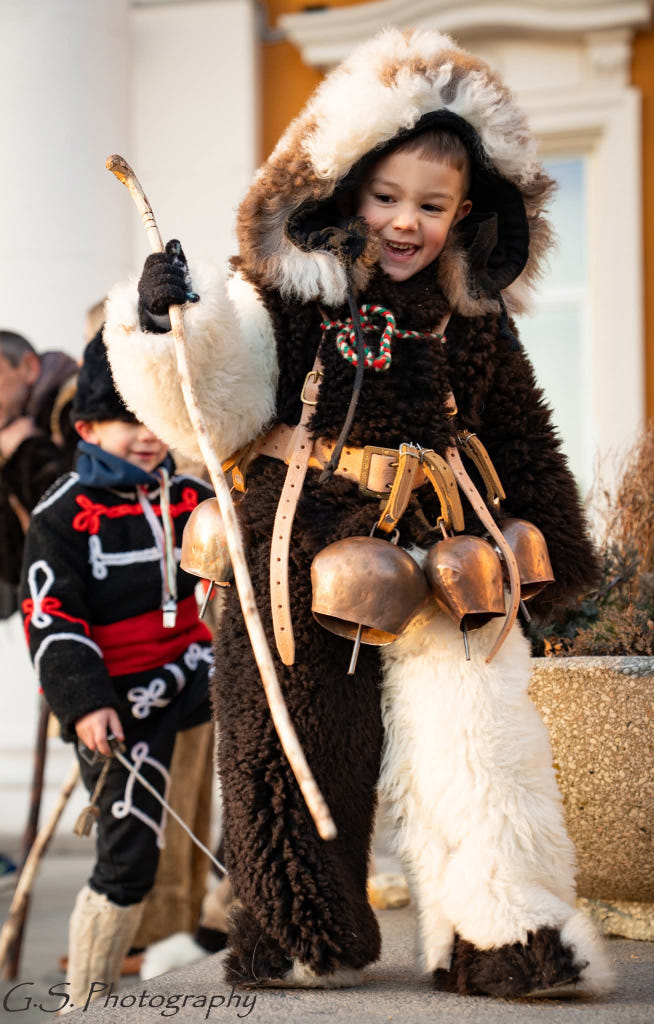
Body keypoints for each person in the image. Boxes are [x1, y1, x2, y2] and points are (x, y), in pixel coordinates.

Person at [103, 28, 613, 997]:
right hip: (298, 532)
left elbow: (520, 428)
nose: (406, 222)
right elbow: (214, 406)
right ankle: (300, 928)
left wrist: (550, 544)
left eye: (433, 204)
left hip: (449, 535)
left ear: (471, 211)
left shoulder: (476, 315)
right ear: (340, 186)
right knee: (294, 744)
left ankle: (505, 932)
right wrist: (164, 328)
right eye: (386, 198)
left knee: (481, 743)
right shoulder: (284, 291)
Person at [20, 330, 214, 1010]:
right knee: (129, 853)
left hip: (196, 666)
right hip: (116, 700)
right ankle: (88, 998)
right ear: (87, 426)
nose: (145, 435)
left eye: (154, 419)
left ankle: (242, 917)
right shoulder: (61, 514)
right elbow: (49, 616)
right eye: (127, 420)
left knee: (268, 753)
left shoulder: (191, 498)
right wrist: (83, 702)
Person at [0, 330, 77, 614]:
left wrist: (28, 448)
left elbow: (77, 516)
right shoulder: (10, 428)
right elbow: (14, 566)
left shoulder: (79, 402)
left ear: (30, 367)